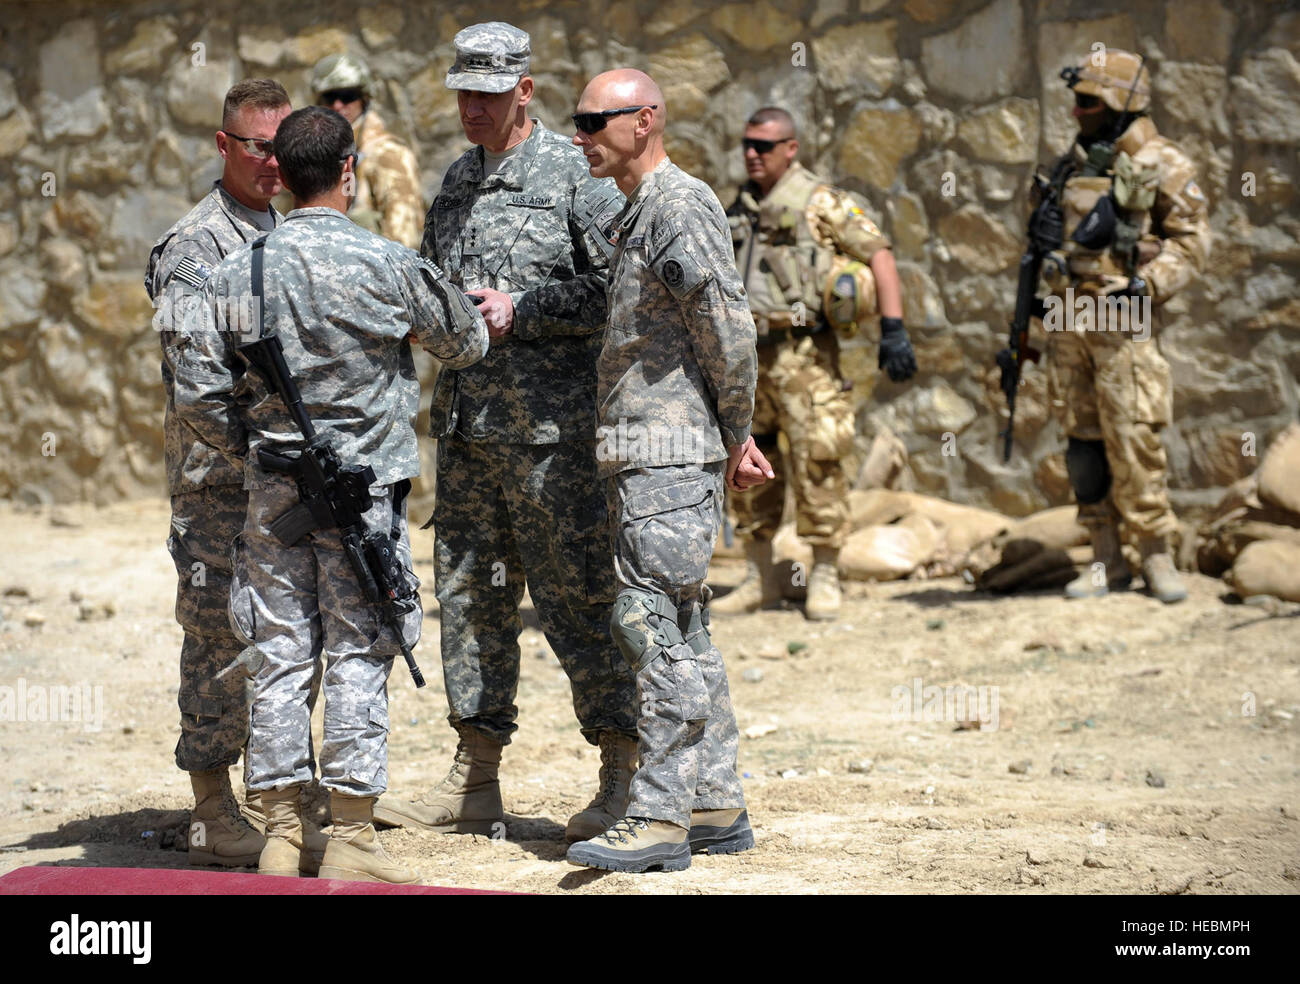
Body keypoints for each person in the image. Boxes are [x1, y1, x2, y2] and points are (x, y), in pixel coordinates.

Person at [177, 106, 489, 882]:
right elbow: (467, 343)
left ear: (280, 172)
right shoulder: (383, 263)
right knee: (358, 652)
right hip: (364, 502)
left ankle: (282, 833)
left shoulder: (238, 271)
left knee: (279, 654)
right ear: (349, 170)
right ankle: (349, 837)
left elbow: (196, 391)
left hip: (273, 501)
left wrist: (253, 450)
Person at [372, 22, 637, 844]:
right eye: (462, 92)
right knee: (470, 599)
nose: (471, 108)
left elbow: (617, 291)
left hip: (552, 440)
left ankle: (623, 773)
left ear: (525, 90)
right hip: (467, 432)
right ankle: (476, 776)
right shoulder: (456, 179)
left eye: (488, 94)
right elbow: (436, 278)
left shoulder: (574, 173)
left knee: (578, 598)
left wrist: (524, 310)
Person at [565, 69, 773, 873]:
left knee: (648, 624)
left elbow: (729, 329)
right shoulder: (640, 210)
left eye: (595, 120)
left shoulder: (679, 205)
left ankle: (657, 816)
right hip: (648, 455)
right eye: (578, 121)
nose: (580, 134)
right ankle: (715, 800)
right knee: (684, 625)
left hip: (670, 455)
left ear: (645, 119)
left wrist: (738, 432)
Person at [145, 78, 291, 869]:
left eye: (279, 144)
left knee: (278, 636)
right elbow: (200, 390)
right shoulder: (196, 250)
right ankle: (209, 808)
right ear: (222, 146)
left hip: (275, 483)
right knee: (214, 638)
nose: (269, 160)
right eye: (253, 145)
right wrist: (272, 454)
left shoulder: (287, 227)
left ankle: (274, 796)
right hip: (218, 485)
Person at [715, 106, 917, 622]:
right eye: (747, 145)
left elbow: (880, 253)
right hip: (747, 359)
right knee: (745, 464)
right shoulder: (735, 206)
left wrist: (892, 329)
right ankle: (761, 577)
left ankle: (824, 574)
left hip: (806, 358)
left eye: (764, 145)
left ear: (791, 148)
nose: (752, 155)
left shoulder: (822, 202)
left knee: (819, 461)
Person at [1035, 49, 1210, 603]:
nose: (1076, 112)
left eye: (1088, 101)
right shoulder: (1073, 162)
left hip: (1124, 321)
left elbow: (1193, 241)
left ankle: (1156, 555)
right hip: (1069, 321)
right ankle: (1106, 560)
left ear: (1120, 101)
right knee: (1083, 446)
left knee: (1135, 439)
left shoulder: (1163, 162)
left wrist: (1148, 282)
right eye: (1077, 100)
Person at [310, 53, 423, 248]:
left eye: (347, 97)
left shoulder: (388, 154)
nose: (338, 105)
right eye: (329, 97)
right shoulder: (316, 154)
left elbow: (404, 241)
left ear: (364, 99)